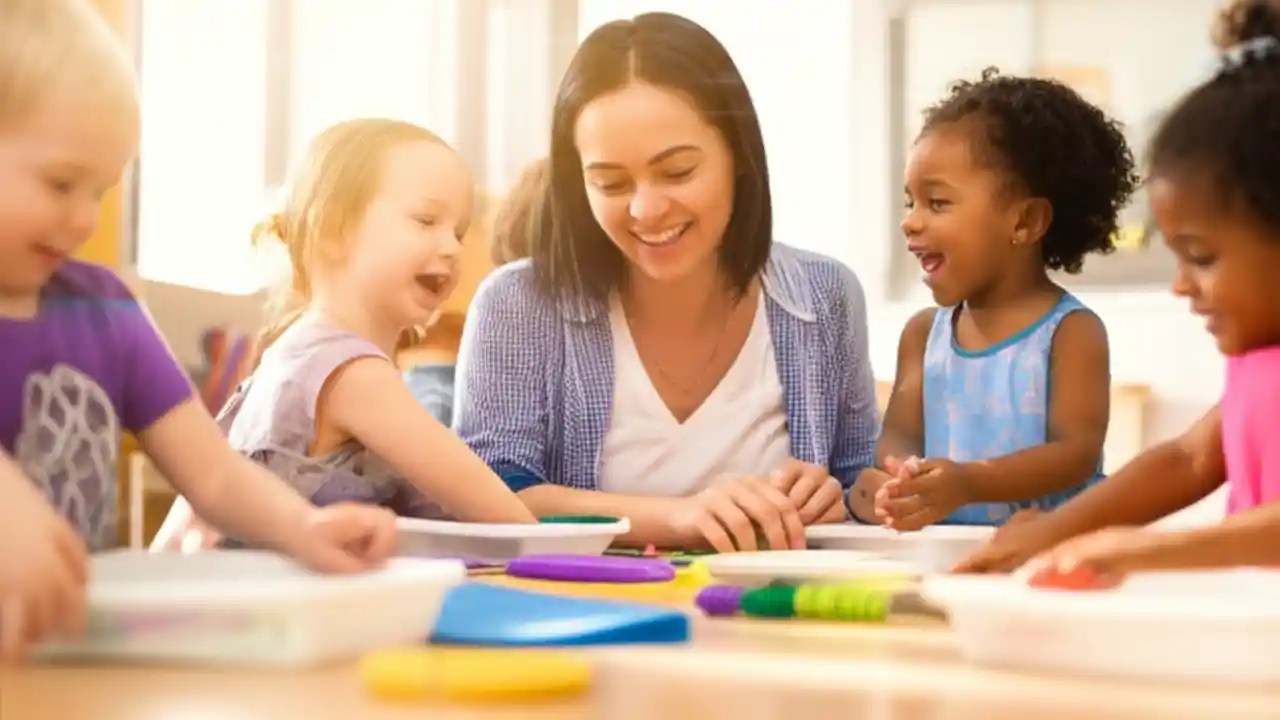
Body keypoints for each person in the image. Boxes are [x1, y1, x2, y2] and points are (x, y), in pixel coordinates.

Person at [0, 0, 397, 662]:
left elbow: (212, 475)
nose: (81, 219)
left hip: (63, 650)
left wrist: (304, 527)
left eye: (98, 191)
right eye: (61, 182)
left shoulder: (107, 311)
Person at [453, 12, 879, 553]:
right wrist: (681, 518)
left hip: (767, 618)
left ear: (738, 156)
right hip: (583, 618)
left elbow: (859, 490)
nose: (646, 209)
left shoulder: (827, 296)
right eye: (610, 182)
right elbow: (490, 496)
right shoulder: (519, 305)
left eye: (677, 172)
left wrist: (836, 501)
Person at [957, 0, 1280, 580]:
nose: (1182, 285)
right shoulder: (1260, 366)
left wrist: (1146, 552)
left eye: (1202, 258)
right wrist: (1053, 532)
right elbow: (1187, 459)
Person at [153, 119, 538, 550]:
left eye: (459, 232)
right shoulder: (351, 373)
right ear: (333, 229)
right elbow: (501, 517)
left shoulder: (294, 353)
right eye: (427, 220)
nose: (452, 247)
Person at [849, 69, 1137, 531]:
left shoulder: (1070, 332)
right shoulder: (924, 335)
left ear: (1025, 222)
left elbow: (1074, 454)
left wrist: (970, 482)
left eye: (937, 203)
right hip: (947, 555)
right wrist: (897, 476)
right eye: (911, 202)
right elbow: (900, 435)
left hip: (1045, 554)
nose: (911, 222)